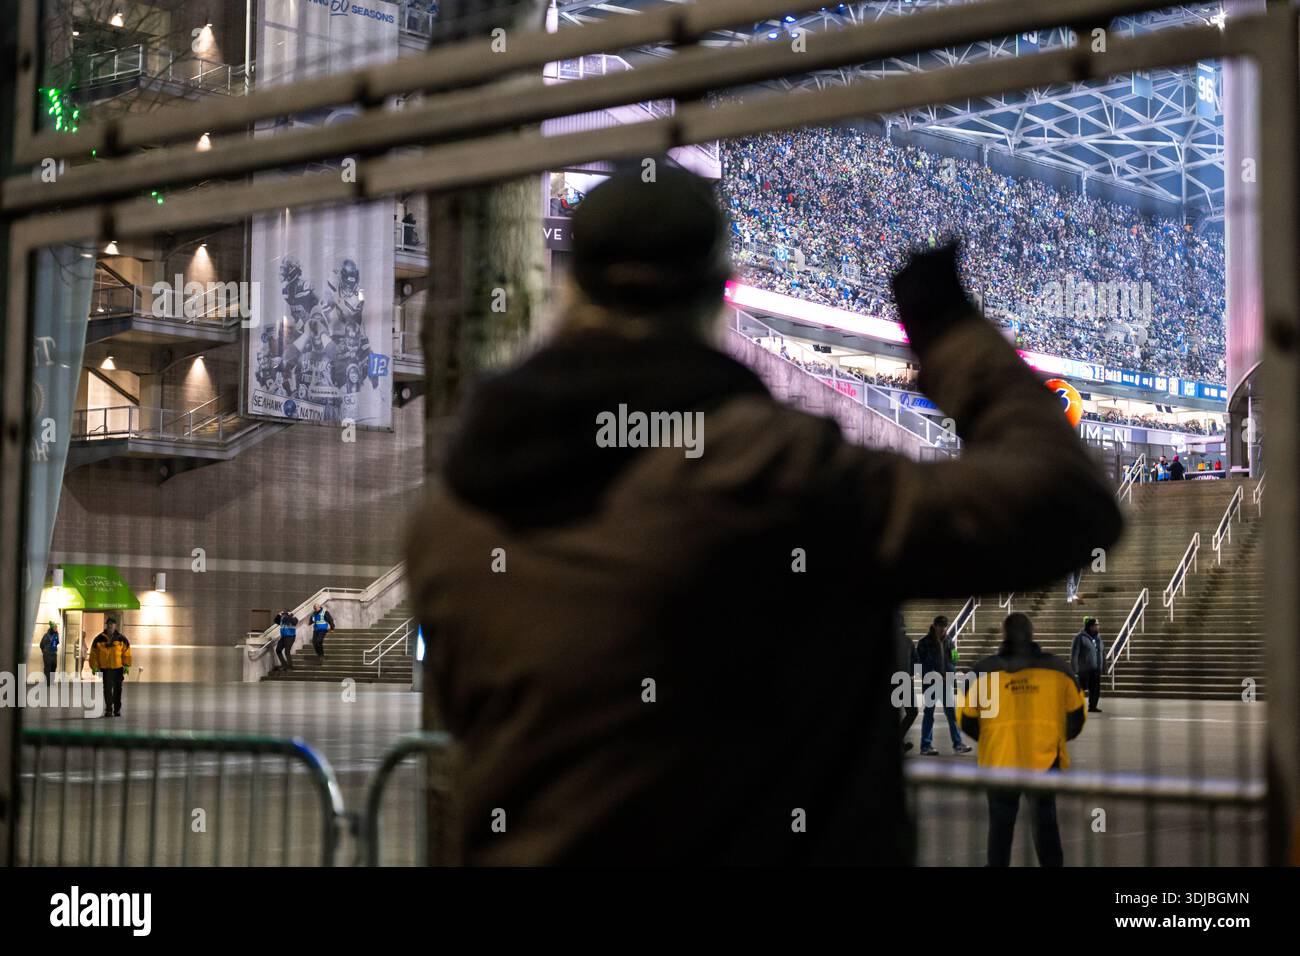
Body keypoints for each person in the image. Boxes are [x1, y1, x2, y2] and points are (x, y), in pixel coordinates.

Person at [405, 166, 1123, 865]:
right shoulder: (772, 473)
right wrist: (951, 334)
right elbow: (1064, 504)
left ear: (570, 286)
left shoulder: (450, 519)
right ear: (721, 293)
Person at [958, 612, 1087, 866]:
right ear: (1032, 634)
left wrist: (992, 739)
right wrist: (1054, 738)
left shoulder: (983, 672)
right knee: (1046, 825)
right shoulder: (1058, 670)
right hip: (1043, 760)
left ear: (1003, 634)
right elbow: (1077, 716)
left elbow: (966, 718)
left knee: (1000, 828)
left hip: (999, 760)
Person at [916, 615, 971, 756]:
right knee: (929, 714)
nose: (942, 629)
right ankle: (925, 746)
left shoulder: (950, 642)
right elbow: (919, 664)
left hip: (946, 683)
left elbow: (955, 659)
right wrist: (932, 673)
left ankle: (958, 744)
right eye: (940, 626)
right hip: (931, 683)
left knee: (952, 714)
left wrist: (949, 672)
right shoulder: (924, 643)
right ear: (934, 626)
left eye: (944, 627)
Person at [88, 617, 132, 718]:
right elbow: (94, 653)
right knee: (107, 689)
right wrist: (94, 666)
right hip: (106, 668)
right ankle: (108, 709)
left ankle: (117, 710)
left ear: (115, 625)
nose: (110, 625)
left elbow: (127, 651)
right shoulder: (99, 639)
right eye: (109, 624)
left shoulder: (121, 638)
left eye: (112, 624)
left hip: (118, 668)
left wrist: (126, 664)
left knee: (117, 690)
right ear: (106, 625)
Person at [893, 610, 919, 752]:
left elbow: (915, 659)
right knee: (911, 712)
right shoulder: (908, 641)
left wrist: (913, 674)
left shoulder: (908, 641)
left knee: (912, 712)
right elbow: (916, 660)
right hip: (900, 680)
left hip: (904, 680)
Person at [1071, 616, 1105, 713]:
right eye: (1096, 625)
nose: (1098, 627)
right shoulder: (1080, 637)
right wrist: (1075, 668)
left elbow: (1103, 652)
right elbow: (1074, 654)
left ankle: (1093, 706)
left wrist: (1103, 667)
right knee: (1081, 689)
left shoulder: (1098, 638)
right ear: (1091, 627)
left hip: (1096, 669)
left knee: (1095, 690)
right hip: (1084, 669)